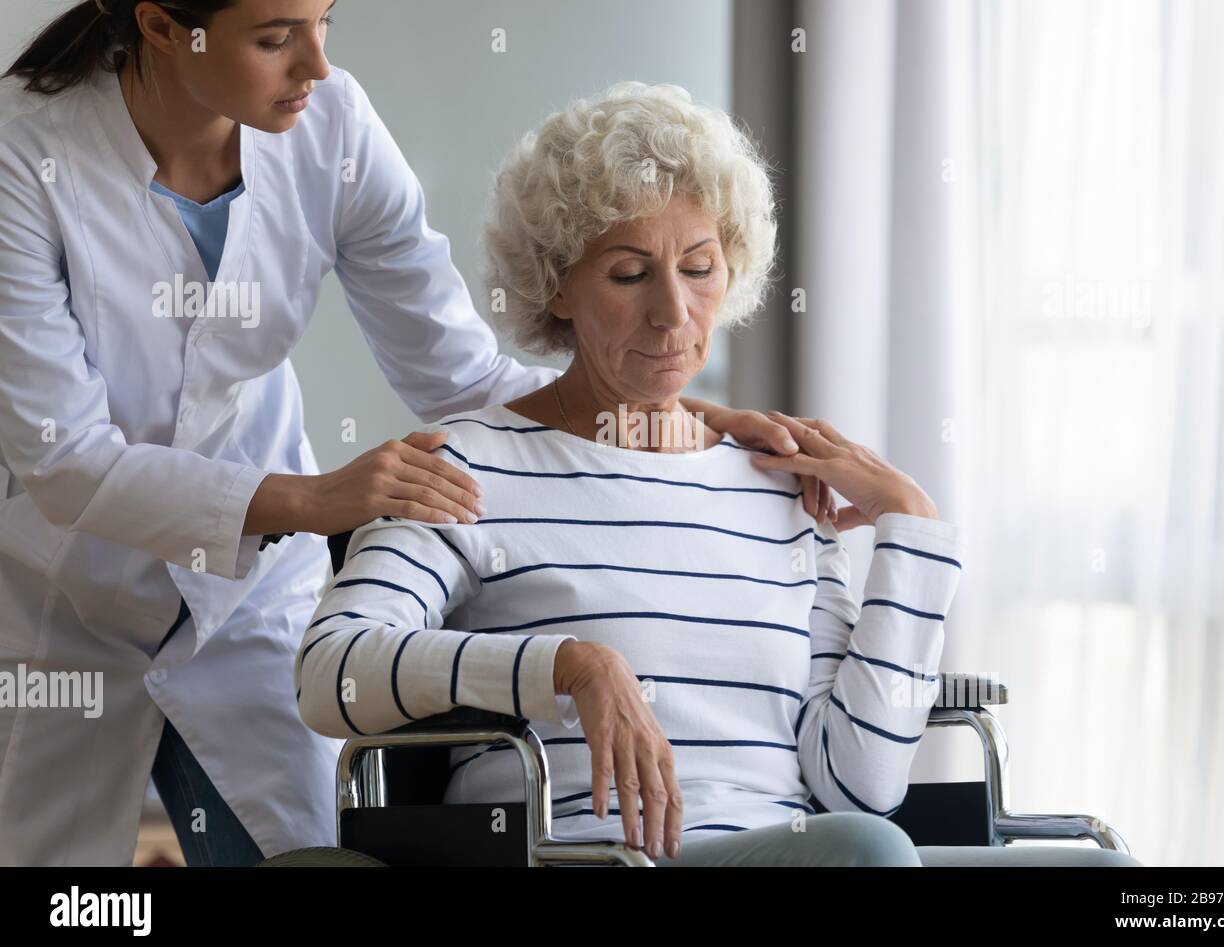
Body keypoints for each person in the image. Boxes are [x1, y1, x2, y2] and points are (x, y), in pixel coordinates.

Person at [0, 2, 814, 866]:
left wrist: (664, 415)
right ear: (164, 26)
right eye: (277, 38)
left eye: (325, 21)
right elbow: (63, 456)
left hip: (248, 598)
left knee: (299, 851)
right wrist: (314, 501)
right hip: (61, 589)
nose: (316, 65)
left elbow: (459, 376)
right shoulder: (23, 153)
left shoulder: (333, 124)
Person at [297, 81, 1140, 866]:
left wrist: (911, 525)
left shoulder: (778, 489)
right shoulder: (465, 465)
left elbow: (861, 788)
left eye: (699, 268)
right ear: (557, 287)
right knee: (867, 856)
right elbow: (331, 673)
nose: (673, 313)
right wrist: (568, 666)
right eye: (629, 274)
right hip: (594, 856)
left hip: (807, 850)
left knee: (1098, 870)